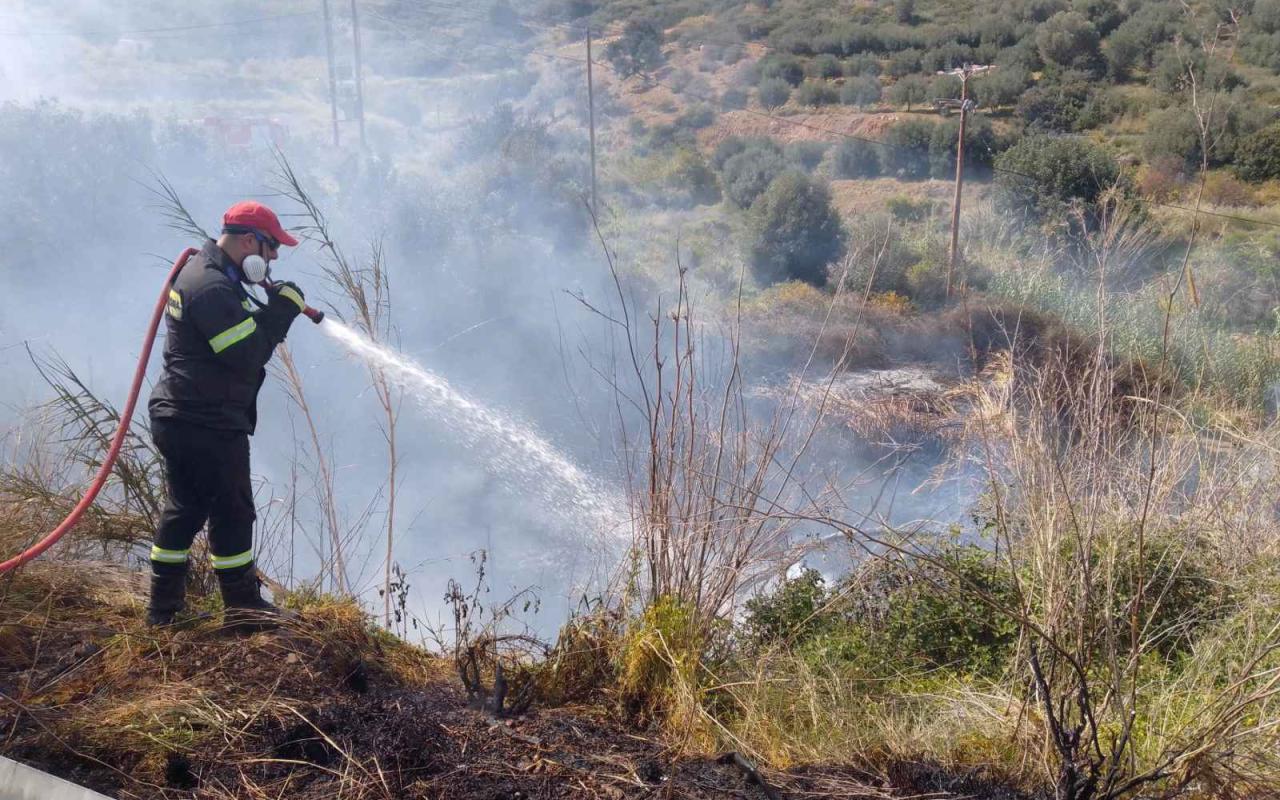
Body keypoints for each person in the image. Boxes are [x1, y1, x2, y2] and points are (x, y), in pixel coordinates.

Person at [145, 200, 307, 627]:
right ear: (249, 240)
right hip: (205, 421)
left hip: (184, 414)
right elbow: (246, 354)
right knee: (233, 510)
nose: (273, 257)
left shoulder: (212, 276)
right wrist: (281, 312)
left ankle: (163, 612)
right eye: (271, 248)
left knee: (187, 507)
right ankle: (242, 608)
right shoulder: (211, 286)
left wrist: (271, 310)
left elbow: (234, 332)